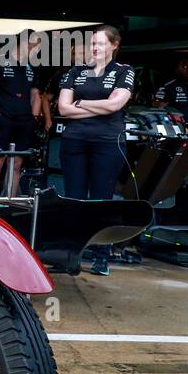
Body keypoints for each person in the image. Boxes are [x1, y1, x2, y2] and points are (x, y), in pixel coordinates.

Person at [58, 25, 135, 276]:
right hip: (74, 142)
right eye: (92, 43)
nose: (95, 48)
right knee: (74, 200)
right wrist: (101, 106)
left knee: (101, 200)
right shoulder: (76, 71)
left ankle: (101, 256)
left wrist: (82, 102)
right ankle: (72, 255)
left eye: (100, 44)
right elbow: (63, 108)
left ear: (114, 45)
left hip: (108, 143)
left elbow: (115, 105)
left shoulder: (124, 71)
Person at [0, 30, 42, 194]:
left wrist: (34, 117)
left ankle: (10, 206)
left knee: (17, 165)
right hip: (3, 119)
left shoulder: (33, 65)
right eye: (35, 47)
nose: (37, 51)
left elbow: (35, 93)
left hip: (24, 121)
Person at [154, 57, 188, 121]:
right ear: (177, 69)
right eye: (185, 67)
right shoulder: (168, 86)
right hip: (173, 126)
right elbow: (158, 109)